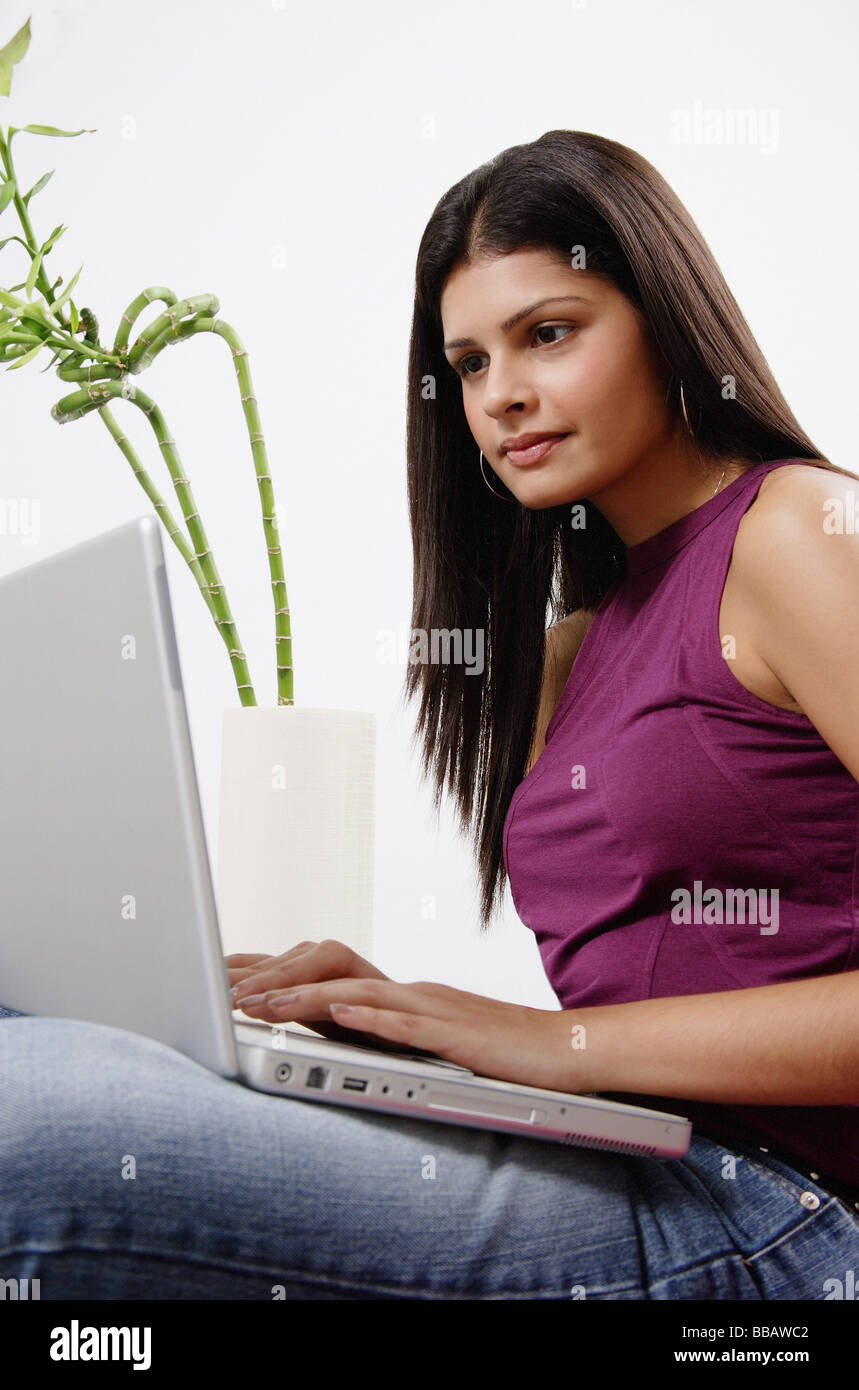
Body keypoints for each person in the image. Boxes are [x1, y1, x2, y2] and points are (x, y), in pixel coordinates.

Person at [1, 129, 857, 1301]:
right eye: (465, 362)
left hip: (797, 1227)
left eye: (546, 333)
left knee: (31, 1141)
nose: (500, 393)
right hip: (652, 1162)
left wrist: (531, 1040)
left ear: (664, 320)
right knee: (34, 1036)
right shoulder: (571, 647)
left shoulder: (800, 536)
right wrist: (407, 1023)